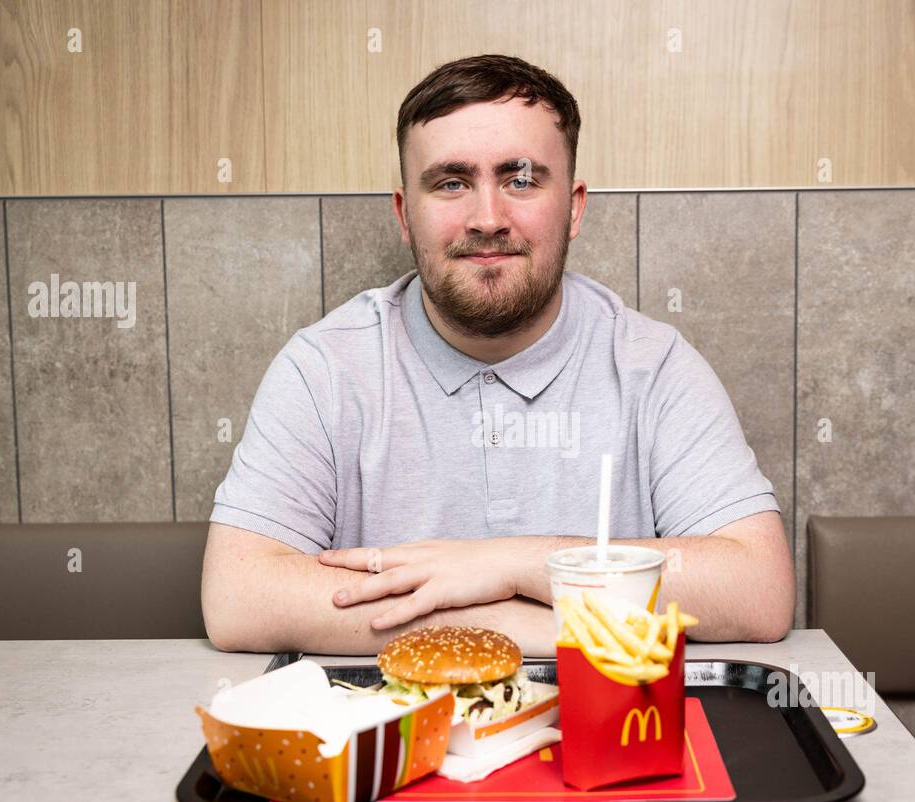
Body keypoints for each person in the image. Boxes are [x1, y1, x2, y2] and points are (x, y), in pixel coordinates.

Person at [201, 54, 794, 657]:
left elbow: (758, 588)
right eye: (452, 183)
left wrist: (508, 564)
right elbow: (239, 595)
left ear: (576, 206)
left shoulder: (655, 366)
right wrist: (519, 624)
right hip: (393, 737)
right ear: (406, 215)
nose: (487, 219)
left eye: (521, 179)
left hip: (600, 736)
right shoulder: (323, 369)